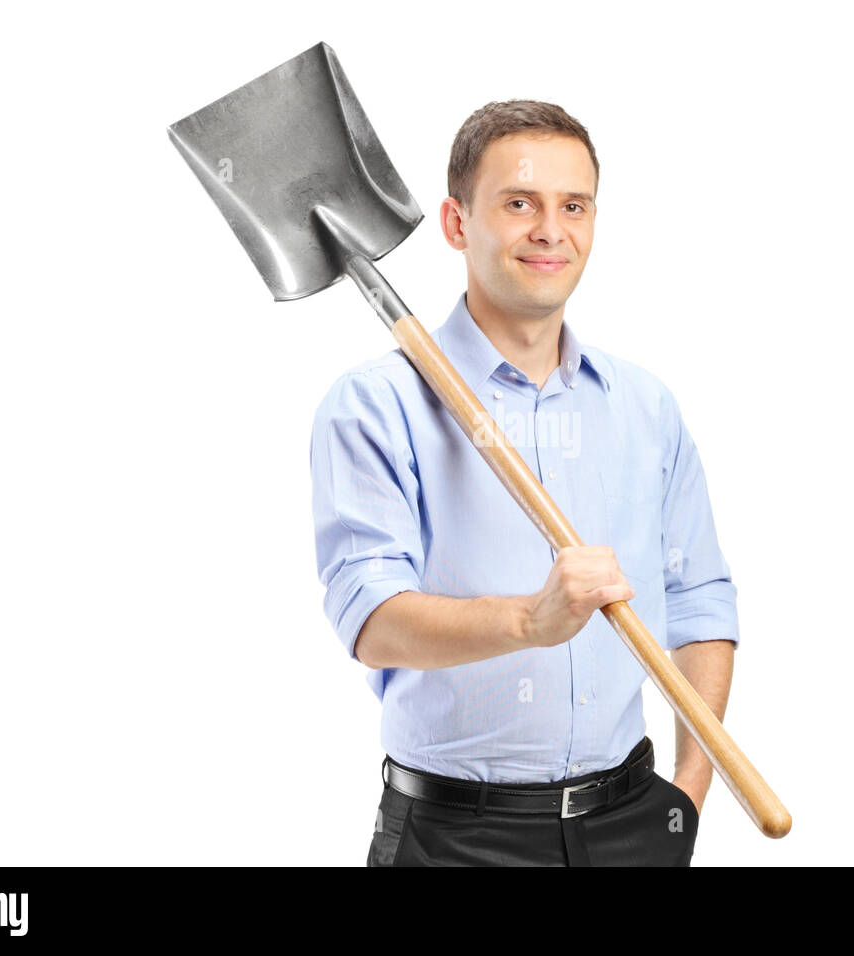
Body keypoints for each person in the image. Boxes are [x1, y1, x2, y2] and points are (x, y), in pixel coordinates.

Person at [310, 100, 739, 866]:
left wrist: (688, 791)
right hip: (457, 838)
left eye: (572, 206)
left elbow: (700, 598)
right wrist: (529, 621)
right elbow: (370, 621)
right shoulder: (376, 406)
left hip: (635, 821)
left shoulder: (644, 405)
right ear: (455, 222)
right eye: (519, 203)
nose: (551, 230)